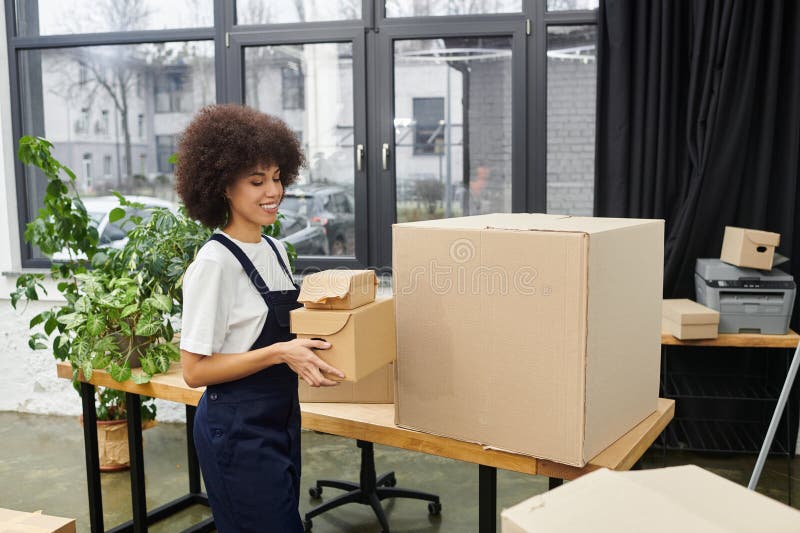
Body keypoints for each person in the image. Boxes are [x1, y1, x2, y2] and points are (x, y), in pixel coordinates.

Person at [175, 104, 345, 532]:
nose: (273, 191)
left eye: (276, 178)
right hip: (235, 429)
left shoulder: (273, 249)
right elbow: (194, 372)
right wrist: (278, 353)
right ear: (223, 188)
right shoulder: (215, 264)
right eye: (256, 181)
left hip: (280, 418)